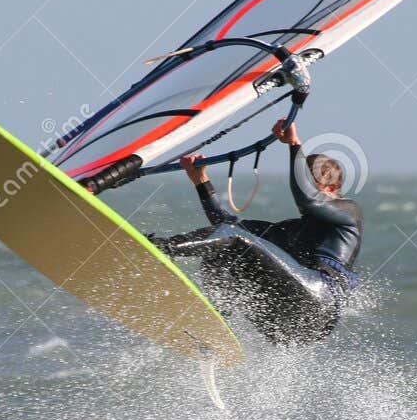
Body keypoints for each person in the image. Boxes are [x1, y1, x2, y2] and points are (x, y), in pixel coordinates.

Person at [151, 119, 361, 344]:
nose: (302, 188)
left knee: (234, 239)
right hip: (290, 324)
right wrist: (201, 181)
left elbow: (308, 199)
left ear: (331, 189)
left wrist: (294, 144)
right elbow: (225, 227)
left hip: (319, 303)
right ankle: (212, 328)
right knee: (223, 250)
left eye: (310, 184)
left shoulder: (349, 212)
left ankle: (161, 249)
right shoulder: (293, 229)